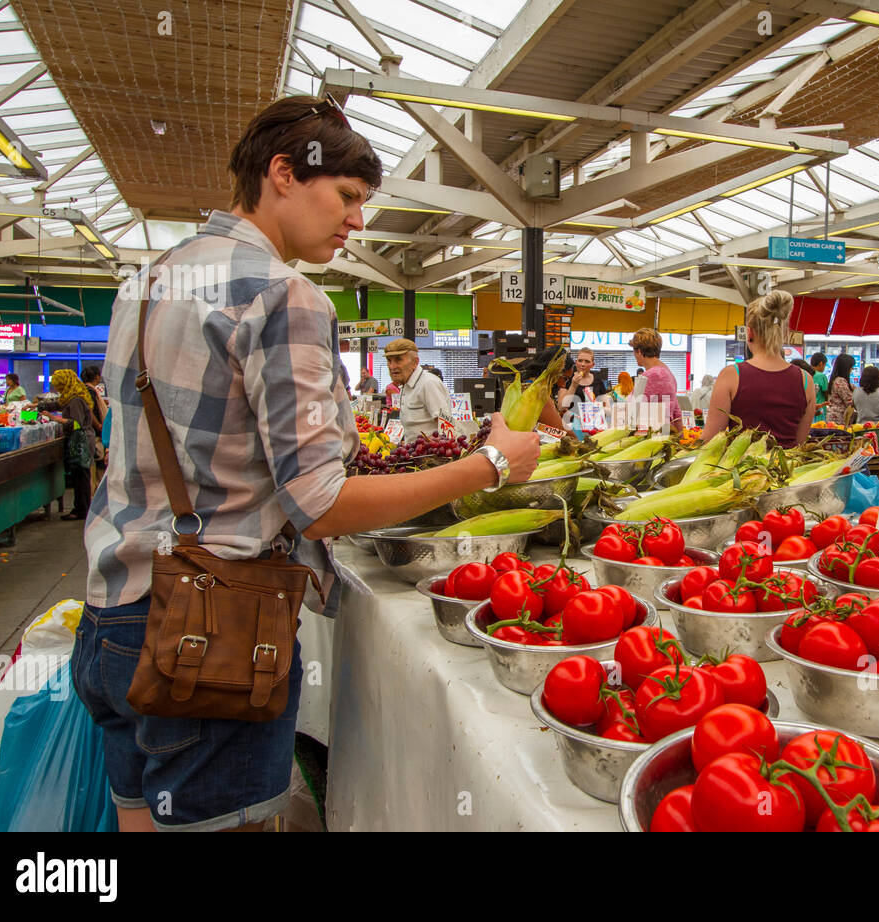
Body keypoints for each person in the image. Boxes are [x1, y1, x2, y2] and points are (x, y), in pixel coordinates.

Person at [77, 95, 540, 834]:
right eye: (349, 197)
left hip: (114, 617)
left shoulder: (154, 276)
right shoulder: (283, 294)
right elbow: (319, 502)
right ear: (283, 174)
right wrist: (490, 462)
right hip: (212, 631)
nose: (358, 222)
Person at [701, 291, 816, 448]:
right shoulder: (805, 380)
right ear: (784, 332)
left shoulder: (731, 375)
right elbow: (800, 444)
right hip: (788, 470)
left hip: (741, 471)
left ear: (749, 333)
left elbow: (710, 441)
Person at [49, 368, 99, 520]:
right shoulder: (75, 396)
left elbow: (75, 424)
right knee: (82, 476)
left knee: (81, 477)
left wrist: (54, 418)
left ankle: (81, 510)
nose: (58, 390)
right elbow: (60, 404)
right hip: (83, 439)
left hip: (81, 442)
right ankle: (82, 508)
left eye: (59, 386)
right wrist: (37, 407)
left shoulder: (76, 400)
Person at [383, 338, 453, 439]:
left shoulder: (428, 383)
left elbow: (447, 427)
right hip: (414, 453)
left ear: (415, 362)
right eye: (389, 361)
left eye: (398, 360)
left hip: (430, 453)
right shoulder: (406, 385)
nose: (392, 366)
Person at [629, 328, 682, 432]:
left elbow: (633, 411)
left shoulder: (651, 375)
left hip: (651, 436)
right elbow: (676, 411)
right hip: (665, 433)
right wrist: (681, 437)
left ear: (639, 351)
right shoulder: (667, 372)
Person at [557, 346, 610, 415]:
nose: (583, 364)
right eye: (580, 360)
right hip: (571, 422)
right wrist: (573, 386)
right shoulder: (568, 378)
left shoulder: (597, 380)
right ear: (576, 362)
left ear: (592, 365)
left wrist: (596, 407)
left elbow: (608, 410)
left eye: (587, 361)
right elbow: (561, 407)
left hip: (592, 422)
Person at [826, 353, 855, 426]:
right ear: (846, 368)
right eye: (851, 367)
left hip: (834, 418)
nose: (852, 370)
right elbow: (849, 400)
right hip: (839, 419)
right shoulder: (840, 381)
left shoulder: (835, 380)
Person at [809, 352, 829, 423]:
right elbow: (826, 393)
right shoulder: (822, 376)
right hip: (820, 409)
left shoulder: (806, 373)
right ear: (821, 364)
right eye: (824, 365)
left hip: (809, 408)